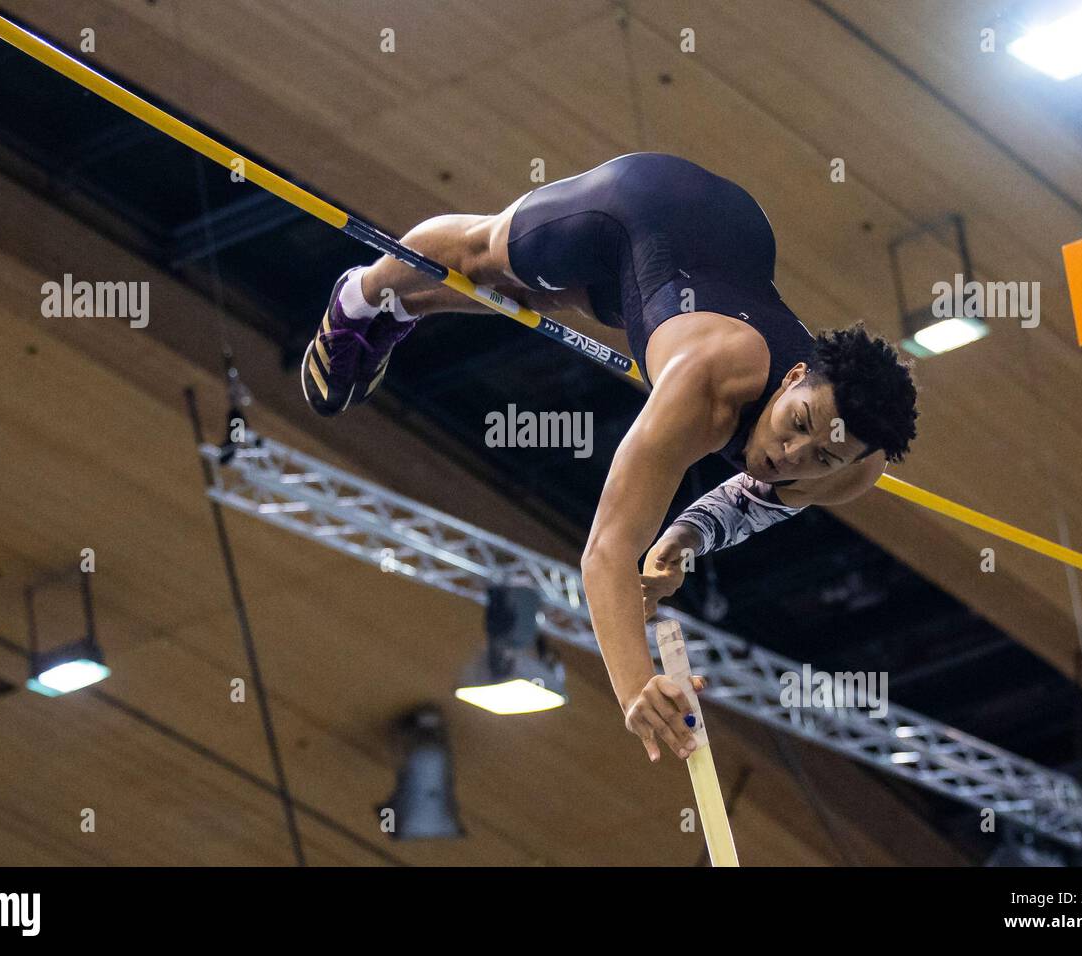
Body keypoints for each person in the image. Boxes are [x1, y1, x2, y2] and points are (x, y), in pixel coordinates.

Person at [301, 152, 918, 762]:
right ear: (793, 379)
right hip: (643, 205)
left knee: (538, 298)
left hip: (684, 274)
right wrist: (636, 686)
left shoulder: (857, 465)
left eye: (823, 459)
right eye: (798, 424)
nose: (792, 455)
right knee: (483, 258)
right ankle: (363, 296)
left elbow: (756, 502)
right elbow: (607, 550)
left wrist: (684, 538)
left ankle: (403, 308)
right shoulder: (703, 387)